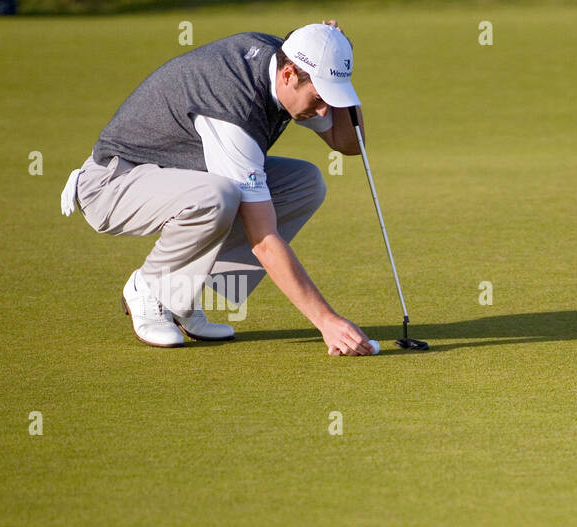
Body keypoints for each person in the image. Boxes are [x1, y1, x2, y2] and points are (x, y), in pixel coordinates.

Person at [60, 21, 376, 356]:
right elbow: (264, 240)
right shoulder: (235, 106)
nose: (325, 109)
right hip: (112, 183)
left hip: (176, 175)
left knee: (304, 184)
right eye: (319, 97)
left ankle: (180, 292)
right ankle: (150, 287)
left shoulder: (285, 65)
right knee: (218, 197)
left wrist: (336, 61)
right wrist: (326, 320)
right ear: (288, 76)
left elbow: (348, 142)